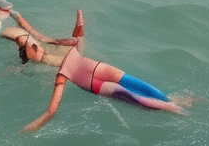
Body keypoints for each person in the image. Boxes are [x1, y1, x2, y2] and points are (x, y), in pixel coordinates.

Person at [21, 10, 185, 133]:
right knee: (137, 91)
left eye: (33, 45)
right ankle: (174, 104)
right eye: (31, 48)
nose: (34, 46)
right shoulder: (63, 63)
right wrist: (30, 128)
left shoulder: (60, 67)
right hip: (97, 72)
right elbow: (79, 34)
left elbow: (52, 110)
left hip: (96, 79)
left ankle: (173, 106)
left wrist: (29, 129)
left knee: (138, 94)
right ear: (32, 57)